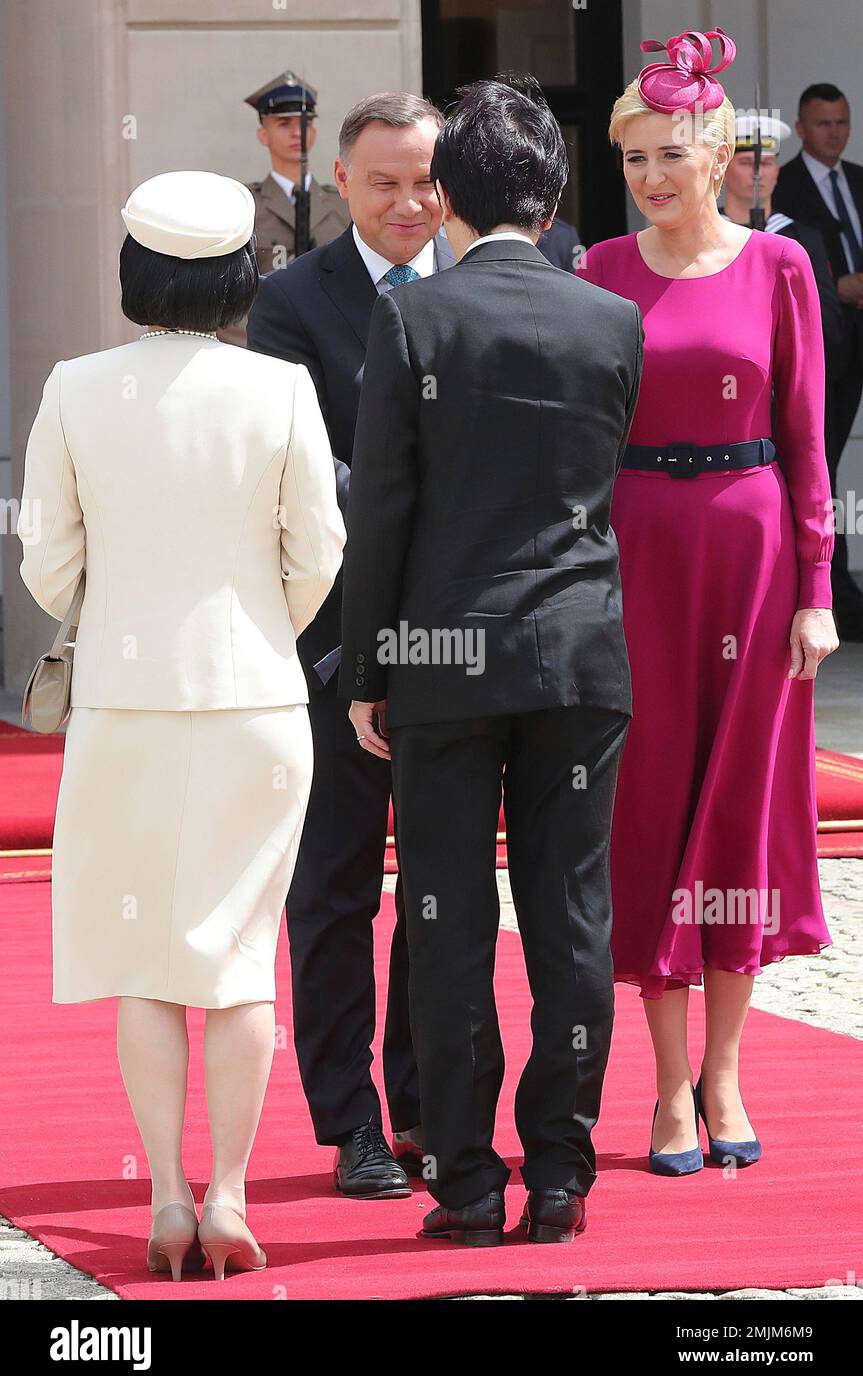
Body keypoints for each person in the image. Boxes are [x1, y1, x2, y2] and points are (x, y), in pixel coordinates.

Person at [16, 170, 345, 1278]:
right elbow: (320, 554)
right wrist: (258, 623)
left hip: (124, 701)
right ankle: (233, 1191)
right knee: (243, 961)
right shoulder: (282, 388)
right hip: (256, 699)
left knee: (145, 962)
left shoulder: (74, 385)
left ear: (131, 273)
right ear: (240, 278)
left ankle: (164, 1196)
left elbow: (47, 562)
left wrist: (117, 613)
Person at [340, 74, 642, 1245]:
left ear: (450, 197)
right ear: (556, 195)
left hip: (443, 658)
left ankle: (465, 1179)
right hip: (574, 655)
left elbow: (386, 516)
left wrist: (367, 667)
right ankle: (559, 1173)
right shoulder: (611, 319)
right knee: (570, 918)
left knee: (444, 915)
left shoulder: (412, 318)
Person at [576, 28, 838, 1177]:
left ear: (719, 150)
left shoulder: (778, 268)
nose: (651, 178)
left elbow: (805, 440)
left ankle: (724, 1070)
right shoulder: (594, 269)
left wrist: (816, 590)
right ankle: (662, 1082)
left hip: (753, 550)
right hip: (634, 559)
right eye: (635, 158)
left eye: (671, 155)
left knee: (738, 809)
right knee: (647, 803)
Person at [246, 93, 455, 1198]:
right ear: (338, 179)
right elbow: (296, 463)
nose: (409, 201)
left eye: (425, 179)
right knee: (335, 888)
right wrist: (427, 516)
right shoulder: (289, 301)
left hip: (457, 642)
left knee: (438, 882)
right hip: (331, 642)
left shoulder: (477, 282)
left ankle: (423, 1107)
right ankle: (349, 1121)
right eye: (383, 182)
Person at [774, 83, 863, 640]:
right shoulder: (780, 186)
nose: (835, 132)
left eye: (842, 122)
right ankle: (837, 592)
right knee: (821, 463)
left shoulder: (858, 178)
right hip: (832, 344)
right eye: (824, 124)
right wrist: (842, 286)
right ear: (803, 129)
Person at [219, 70, 350, 347]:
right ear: (263, 134)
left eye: (304, 123)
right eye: (283, 123)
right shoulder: (243, 208)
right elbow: (229, 293)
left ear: (313, 132)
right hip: (262, 346)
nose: (296, 132)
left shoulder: (344, 204)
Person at [723, 114, 847, 383]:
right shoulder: (703, 234)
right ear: (722, 168)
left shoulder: (802, 239)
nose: (758, 173)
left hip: (785, 378)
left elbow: (827, 322)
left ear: (778, 170)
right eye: (746, 163)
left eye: (766, 163)